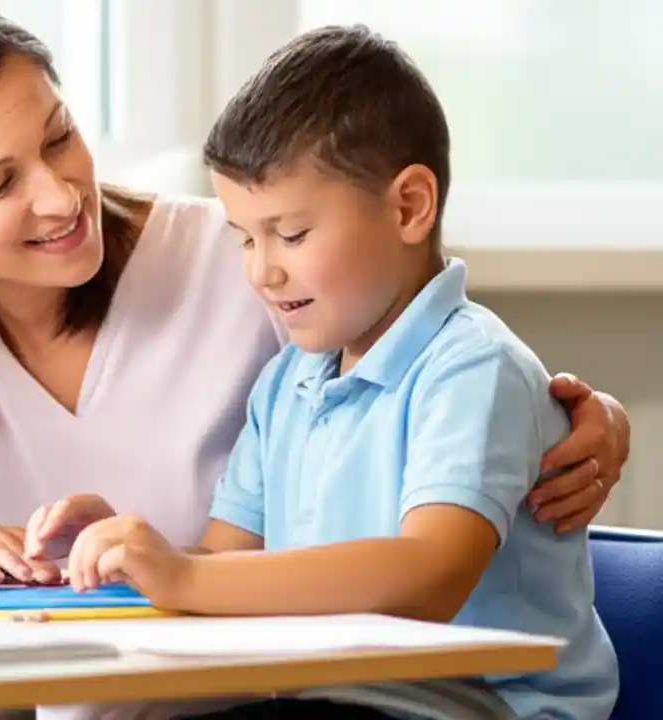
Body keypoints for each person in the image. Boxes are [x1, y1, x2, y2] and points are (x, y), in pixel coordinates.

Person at [0, 1, 630, 717]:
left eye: (59, 135)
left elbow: (429, 341)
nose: (59, 193)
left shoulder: (239, 265)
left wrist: (584, 414)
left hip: (334, 698)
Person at [51, 25, 618, 720]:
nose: (263, 270)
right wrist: (132, 560)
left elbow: (428, 576)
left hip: (478, 706)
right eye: (245, 238)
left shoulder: (472, 368)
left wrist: (188, 576)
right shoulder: (288, 380)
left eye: (291, 234)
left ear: (409, 206)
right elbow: (225, 561)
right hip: (342, 697)